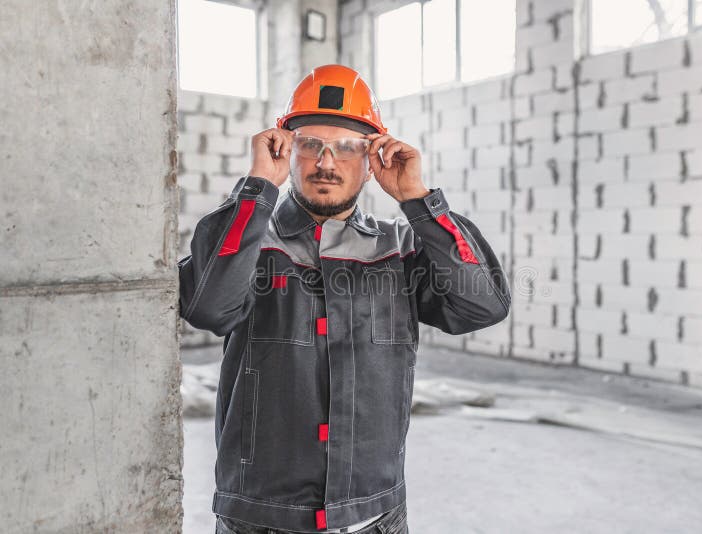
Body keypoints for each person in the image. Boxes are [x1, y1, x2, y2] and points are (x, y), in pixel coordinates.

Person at [178, 64, 511, 534]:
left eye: (348, 147)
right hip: (261, 517)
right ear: (285, 149)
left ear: (373, 159)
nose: (326, 163)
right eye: (310, 144)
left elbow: (484, 304)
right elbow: (208, 307)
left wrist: (418, 200)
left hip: (374, 517)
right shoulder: (250, 238)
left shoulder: (401, 247)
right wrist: (258, 188)